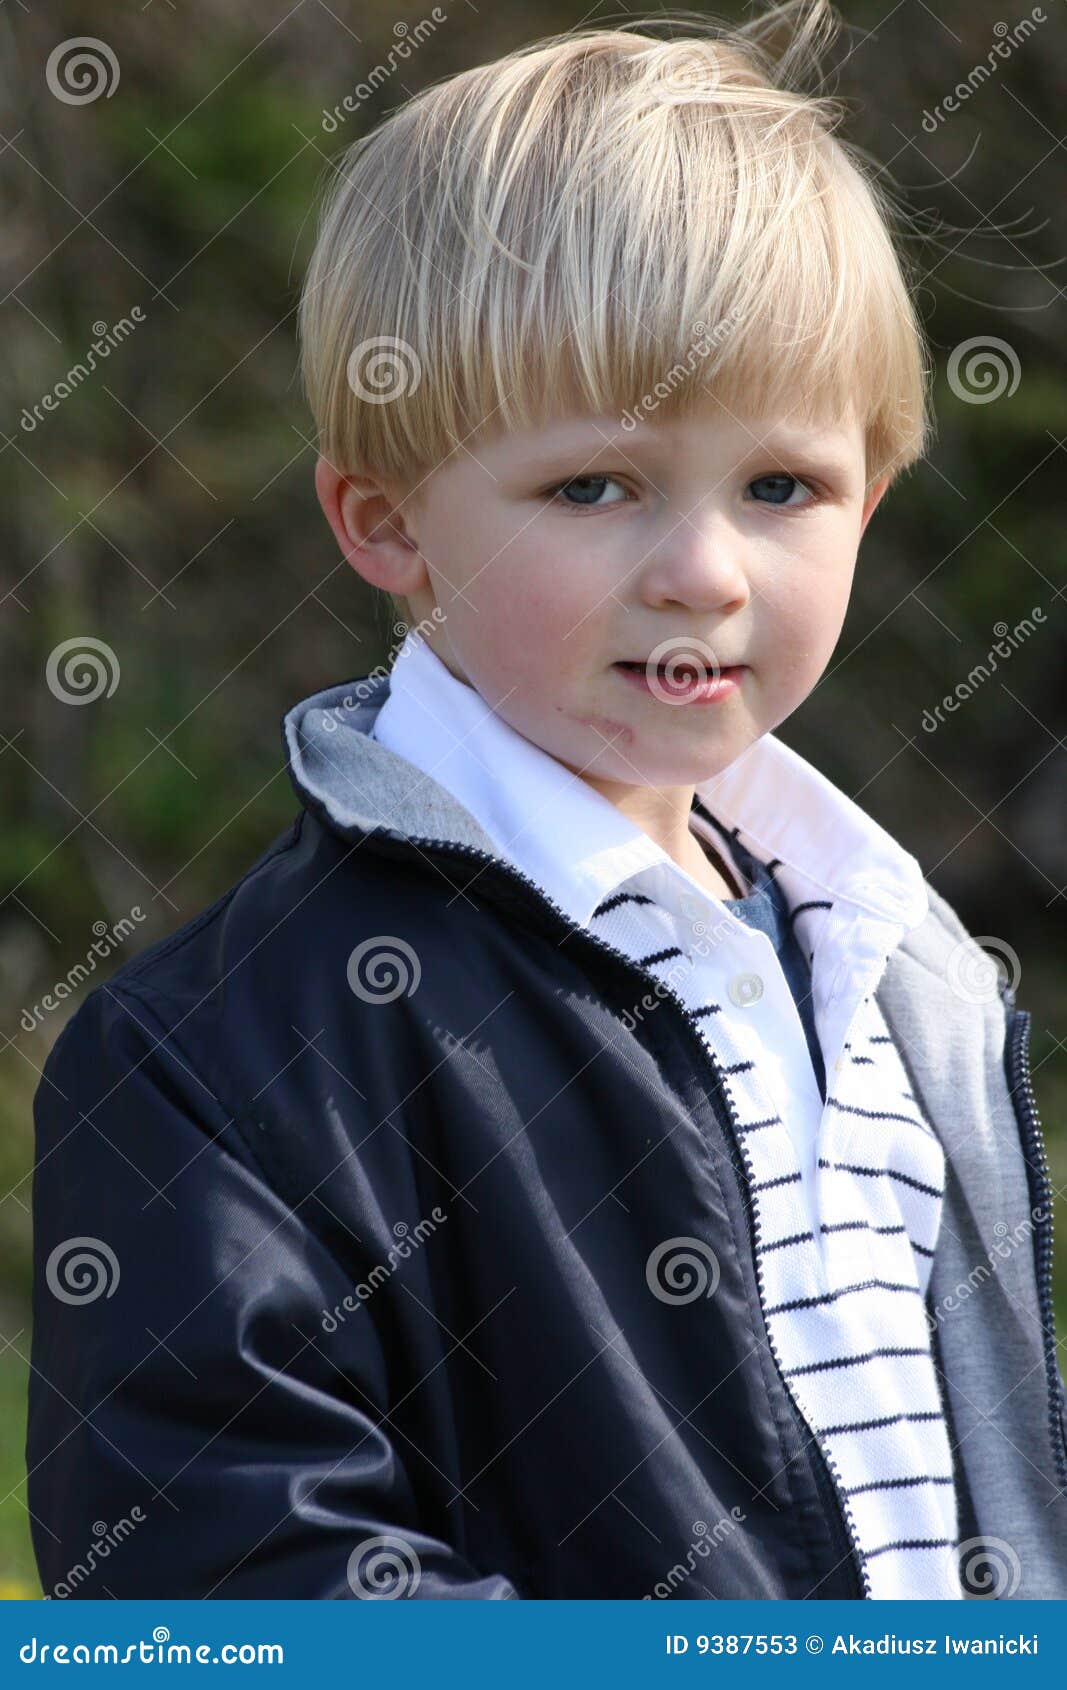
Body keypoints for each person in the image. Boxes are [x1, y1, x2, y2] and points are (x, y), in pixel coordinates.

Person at [26, 1, 1067, 1600]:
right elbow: (243, 1595)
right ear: (387, 520)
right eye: (596, 486)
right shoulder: (219, 1059)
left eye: (781, 486)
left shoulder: (903, 973)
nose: (707, 571)